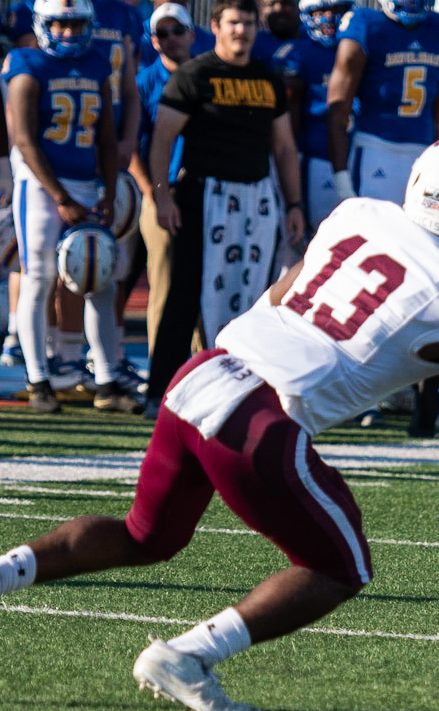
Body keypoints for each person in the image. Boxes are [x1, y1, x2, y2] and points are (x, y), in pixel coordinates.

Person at [0, 135, 439, 711]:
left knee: (147, 535)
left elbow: (278, 297)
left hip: (205, 373)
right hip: (262, 419)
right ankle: (188, 656)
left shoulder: (362, 214)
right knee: (341, 566)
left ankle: (8, 571)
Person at [146, 0, 307, 418]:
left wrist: (293, 204)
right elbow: (162, 139)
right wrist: (162, 196)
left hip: (256, 199)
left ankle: (241, 393)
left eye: (249, 23)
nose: (242, 31)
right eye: (234, 23)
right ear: (215, 26)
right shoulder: (195, 74)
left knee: (254, 299)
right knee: (184, 296)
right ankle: (161, 393)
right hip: (204, 196)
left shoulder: (267, 78)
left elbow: (285, 147)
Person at [6, 0, 129, 413]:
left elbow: (108, 139)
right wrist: (61, 197)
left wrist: (108, 193)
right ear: (43, 25)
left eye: (76, 25)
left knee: (101, 277)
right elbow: (24, 138)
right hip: (40, 184)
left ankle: (107, 380)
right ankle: (38, 378)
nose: (69, 34)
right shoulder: (26, 63)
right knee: (38, 275)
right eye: (60, 25)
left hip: (85, 183)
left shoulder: (96, 64)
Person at [326, 0, 439, 205]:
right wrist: (341, 179)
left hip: (424, 152)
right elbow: (338, 111)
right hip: (375, 149)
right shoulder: (366, 25)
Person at [133, 3, 194, 357]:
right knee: (164, 283)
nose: (171, 39)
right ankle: (162, 373)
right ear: (153, 41)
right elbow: (133, 148)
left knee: (206, 285)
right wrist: (154, 195)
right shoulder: (144, 81)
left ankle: (205, 367)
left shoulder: (208, 74)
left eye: (177, 31)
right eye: (162, 33)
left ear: (191, 33)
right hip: (162, 189)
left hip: (203, 190)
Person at [276, 0, 353, 234]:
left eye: (336, 10)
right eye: (320, 11)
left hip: (360, 154)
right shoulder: (296, 52)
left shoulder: (361, 45)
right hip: (316, 157)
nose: (329, 18)